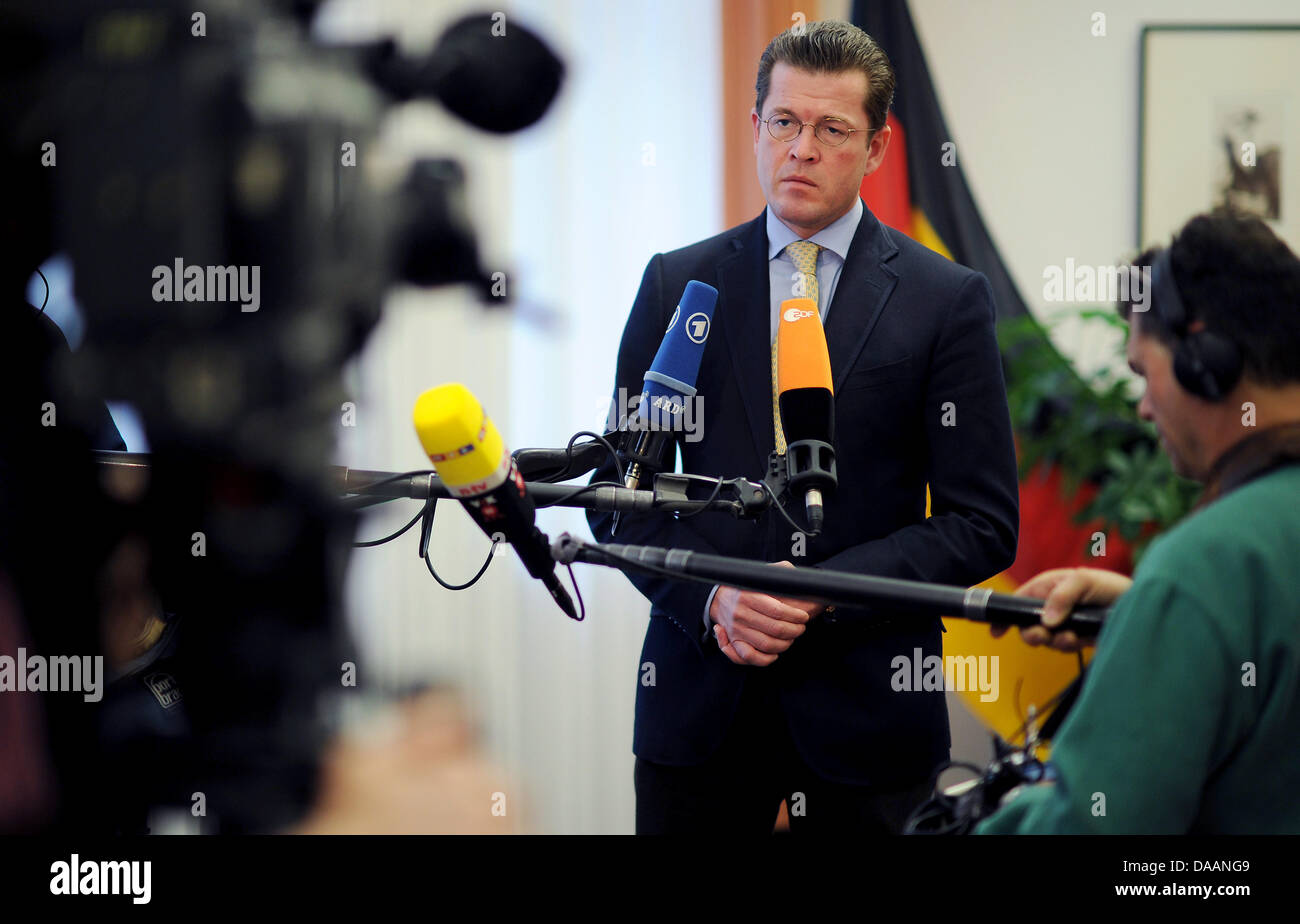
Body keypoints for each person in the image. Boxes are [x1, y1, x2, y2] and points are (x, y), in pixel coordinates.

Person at [587, 20, 1019, 834]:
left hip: (873, 718)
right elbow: (617, 495)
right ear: (756, 128)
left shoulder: (946, 299)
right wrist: (715, 596)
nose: (802, 148)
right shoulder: (677, 284)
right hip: (701, 713)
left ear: (878, 147)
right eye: (784, 122)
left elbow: (982, 523)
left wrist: (819, 593)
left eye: (832, 129)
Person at [980, 210, 1300, 834]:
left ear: (1202, 358)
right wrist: (1145, 612)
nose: (1146, 407)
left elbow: (1097, 829)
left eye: (1143, 373)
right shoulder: (1212, 581)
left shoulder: (1205, 569)